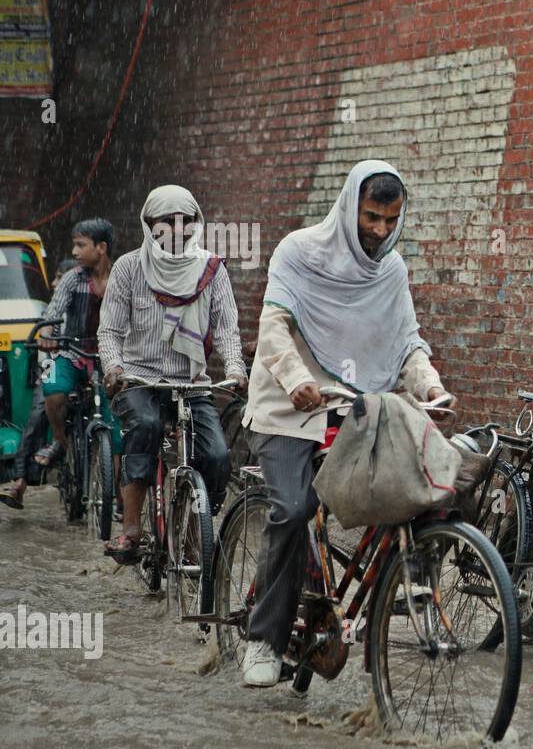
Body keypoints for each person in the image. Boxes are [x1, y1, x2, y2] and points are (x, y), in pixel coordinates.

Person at [240, 160, 451, 688]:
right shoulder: (299, 251)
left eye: (391, 220)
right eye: (372, 217)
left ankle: (394, 588)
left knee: (421, 483)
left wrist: (429, 386)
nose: (380, 231)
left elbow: (407, 343)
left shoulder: (391, 270)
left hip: (355, 408)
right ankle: (264, 638)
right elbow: (273, 327)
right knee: (292, 508)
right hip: (289, 409)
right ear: (349, 206)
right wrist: (294, 380)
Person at [99, 186, 247, 560]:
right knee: (145, 427)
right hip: (139, 377)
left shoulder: (212, 269)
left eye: (187, 222)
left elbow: (227, 327)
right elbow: (111, 331)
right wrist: (114, 367)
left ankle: (200, 531)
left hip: (191, 381)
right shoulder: (129, 268)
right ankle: (131, 529)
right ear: (149, 226)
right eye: (167, 222)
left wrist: (235, 368)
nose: (178, 230)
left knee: (215, 456)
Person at [1, 229, 119, 510]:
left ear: (101, 247)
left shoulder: (121, 277)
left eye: (80, 245)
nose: (75, 252)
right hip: (69, 354)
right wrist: (49, 334)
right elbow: (52, 313)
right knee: (49, 397)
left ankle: (121, 490)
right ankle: (57, 444)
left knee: (121, 415)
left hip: (110, 356)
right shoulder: (71, 279)